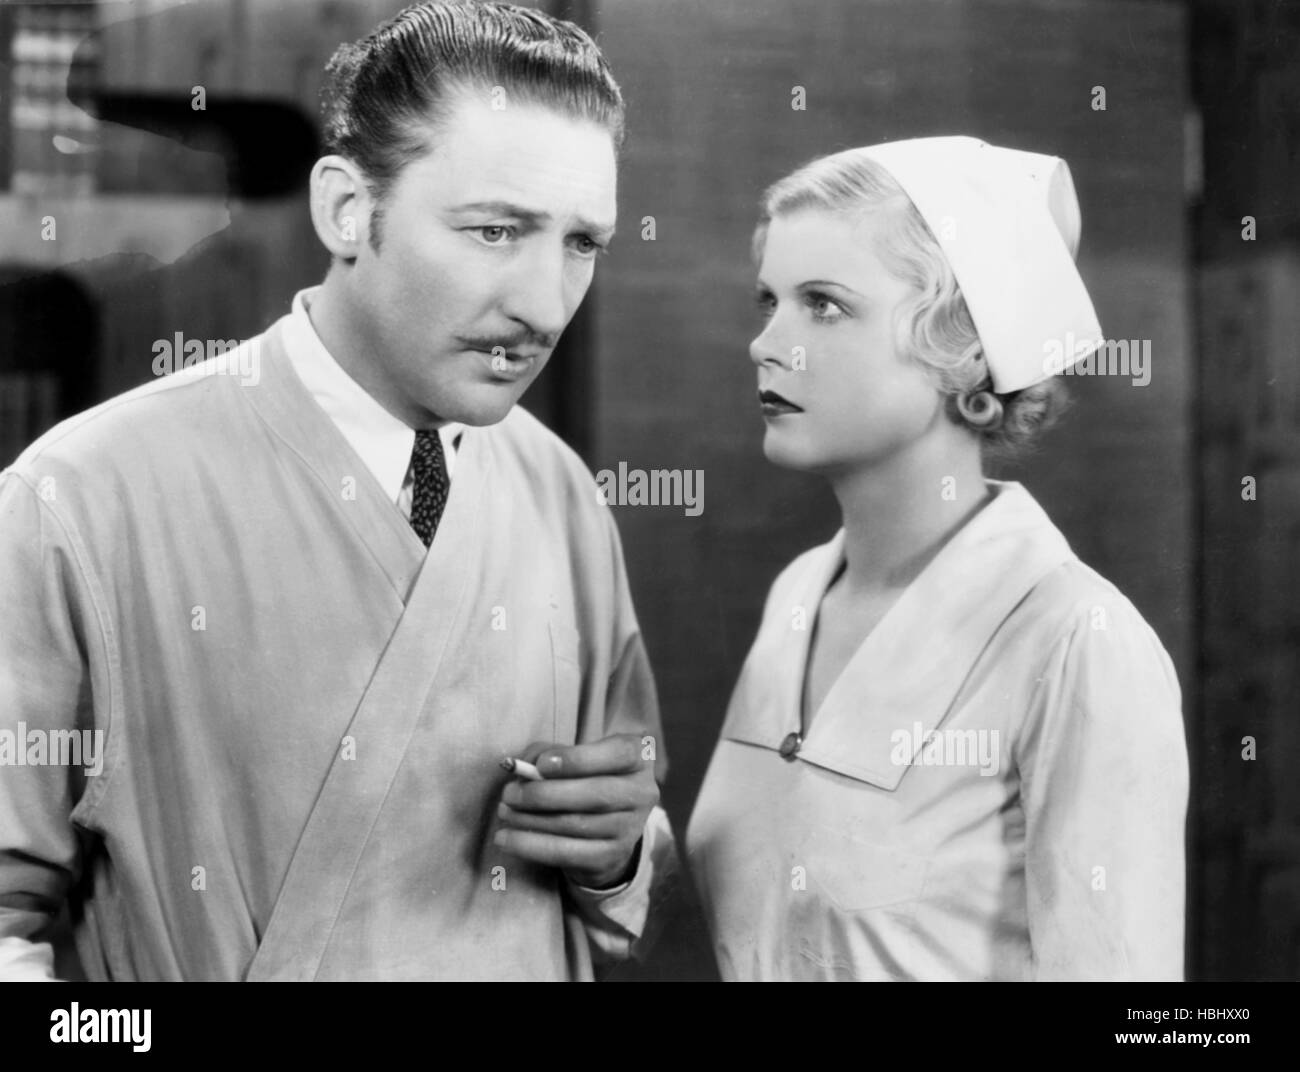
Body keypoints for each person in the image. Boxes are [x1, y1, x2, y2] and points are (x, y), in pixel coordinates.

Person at [0, 0, 675, 982]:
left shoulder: (560, 492)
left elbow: (630, 874)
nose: (542, 304)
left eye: (581, 244)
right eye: (495, 230)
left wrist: (615, 852)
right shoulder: (78, 499)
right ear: (347, 210)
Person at [686, 136, 1188, 981]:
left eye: (824, 304)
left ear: (963, 347)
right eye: (767, 300)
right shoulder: (800, 595)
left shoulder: (1079, 643)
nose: (766, 344)